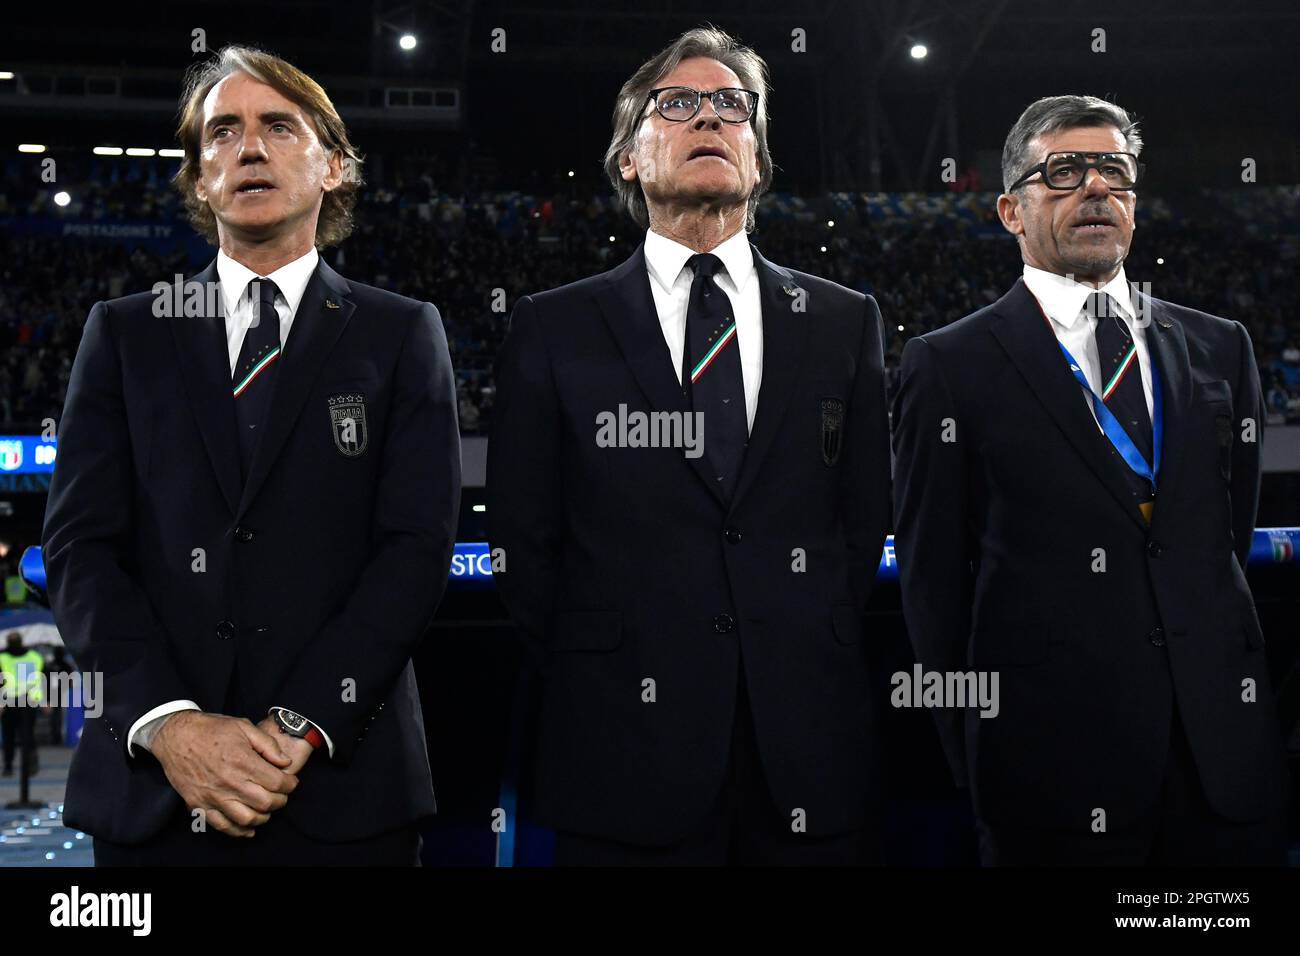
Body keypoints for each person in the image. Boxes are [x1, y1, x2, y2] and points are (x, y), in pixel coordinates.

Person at [41, 45, 461, 865]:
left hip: (343, 791)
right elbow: (80, 550)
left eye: (278, 126)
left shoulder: (404, 333)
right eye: (222, 133)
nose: (249, 148)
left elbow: (414, 552)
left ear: (334, 166)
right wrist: (170, 724)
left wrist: (298, 726)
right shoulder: (124, 333)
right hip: (155, 793)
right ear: (201, 179)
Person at [487, 26, 891, 865]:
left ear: (759, 156)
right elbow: (527, 547)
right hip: (618, 755)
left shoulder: (845, 322)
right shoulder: (552, 326)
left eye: (733, 107)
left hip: (806, 752)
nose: (709, 116)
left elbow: (861, 525)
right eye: (677, 104)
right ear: (629, 158)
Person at [891, 94, 1287, 865]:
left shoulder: (1219, 346)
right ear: (1011, 210)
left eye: (1115, 171)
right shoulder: (947, 365)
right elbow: (933, 589)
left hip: (1222, 769)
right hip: (1047, 777)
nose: (1096, 188)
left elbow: (1220, 543)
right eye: (1065, 172)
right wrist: (977, 757)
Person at [0, 631, 44, 776]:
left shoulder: (3, 657)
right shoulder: (34, 657)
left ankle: (14, 766)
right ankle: (26, 766)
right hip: (24, 701)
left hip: (14, 701)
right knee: (22, 735)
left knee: (13, 736)